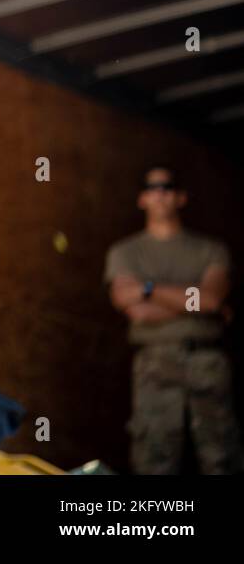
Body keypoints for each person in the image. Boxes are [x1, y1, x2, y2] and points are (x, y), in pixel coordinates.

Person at [105, 166, 241, 474]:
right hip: (155, 364)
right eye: (152, 187)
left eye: (167, 186)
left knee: (221, 456)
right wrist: (194, 303)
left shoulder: (209, 249)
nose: (160, 193)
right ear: (142, 198)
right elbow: (132, 308)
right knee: (155, 458)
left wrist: (148, 290)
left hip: (207, 362)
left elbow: (211, 299)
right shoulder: (125, 252)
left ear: (181, 197)